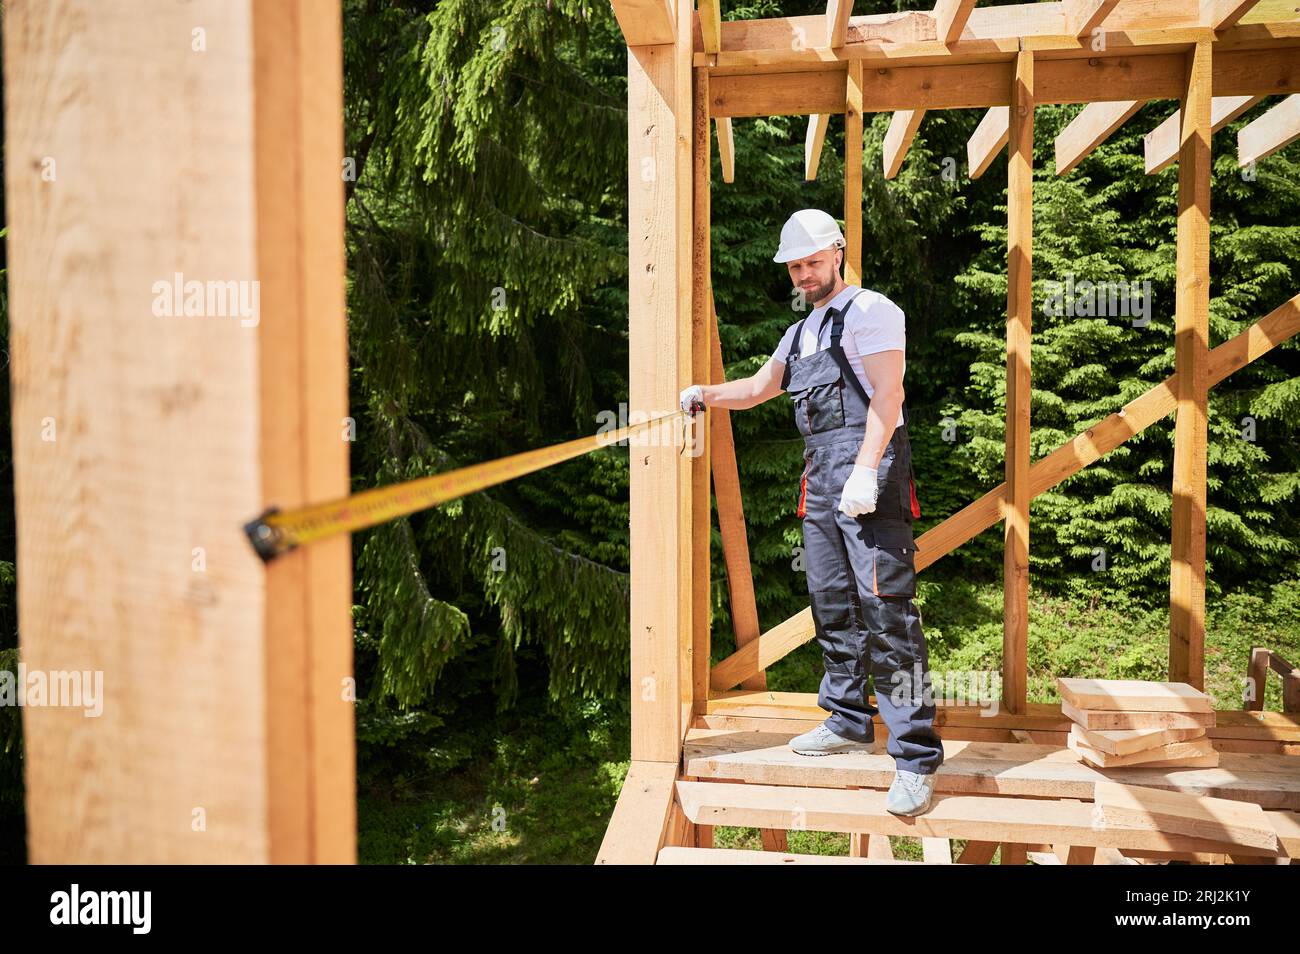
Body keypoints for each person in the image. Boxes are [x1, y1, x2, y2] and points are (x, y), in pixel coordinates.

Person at [679, 208, 944, 816]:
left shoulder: (873, 311)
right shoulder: (799, 334)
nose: (803, 273)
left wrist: (865, 470)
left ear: (837, 254)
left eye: (812, 261)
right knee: (831, 600)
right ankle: (848, 719)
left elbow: (888, 393)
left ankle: (914, 756)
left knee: (887, 610)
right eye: (795, 265)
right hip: (820, 479)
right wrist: (703, 394)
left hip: (868, 472)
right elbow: (755, 389)